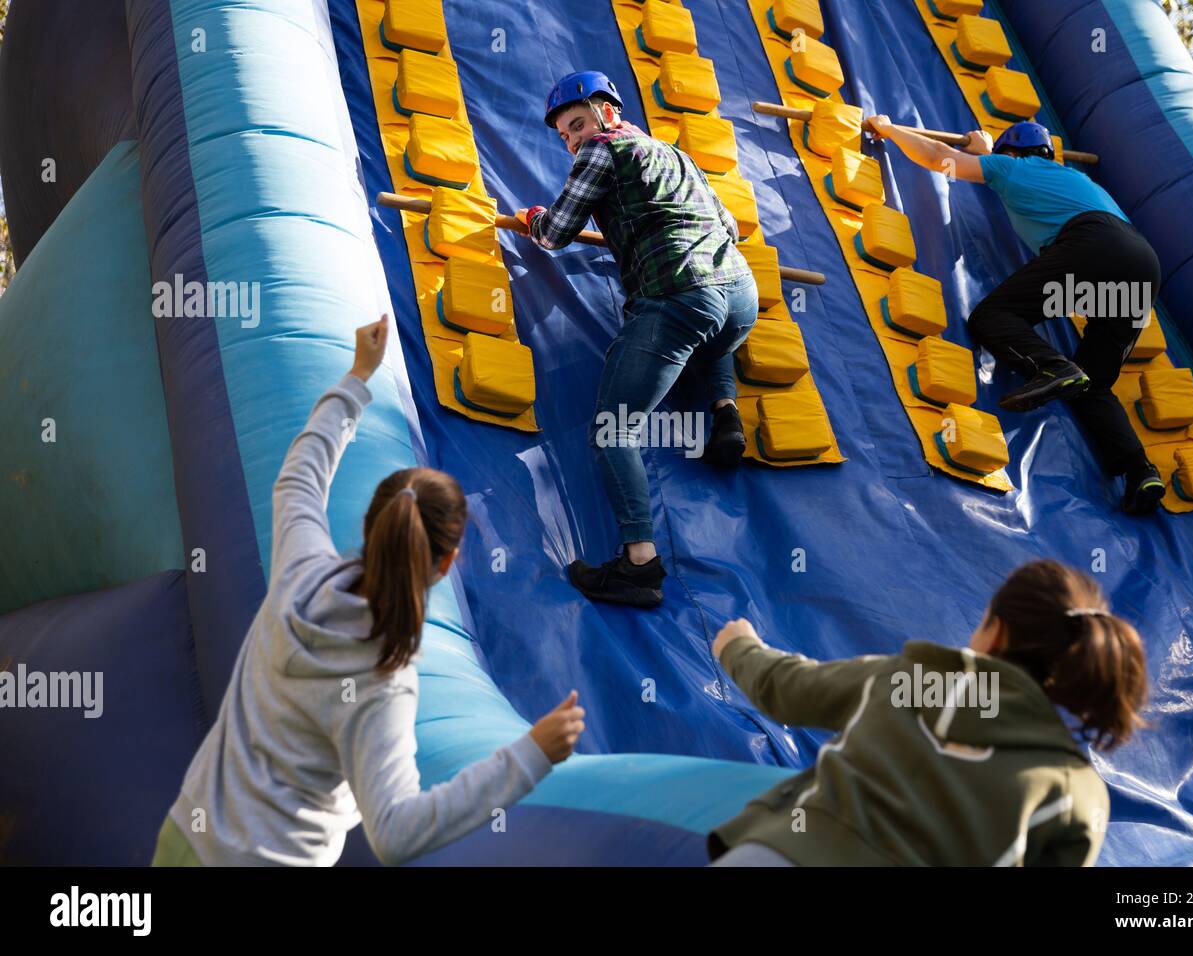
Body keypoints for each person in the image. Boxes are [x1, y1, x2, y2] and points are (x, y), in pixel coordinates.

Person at [151, 315, 585, 866]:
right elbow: (396, 832)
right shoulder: (382, 679)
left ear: (372, 523)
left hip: (186, 839)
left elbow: (298, 476)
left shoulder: (301, 571)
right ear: (447, 563)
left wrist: (358, 376)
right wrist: (529, 756)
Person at [707, 559, 1148, 866]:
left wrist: (739, 646)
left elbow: (787, 688)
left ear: (996, 633)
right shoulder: (1078, 791)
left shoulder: (911, 681)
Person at [521, 70, 760, 608]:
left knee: (612, 428)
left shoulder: (601, 152)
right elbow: (731, 227)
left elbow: (556, 233)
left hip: (679, 298)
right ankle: (725, 415)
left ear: (607, 112)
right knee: (715, 337)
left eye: (577, 124)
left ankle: (640, 567)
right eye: (564, 135)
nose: (573, 140)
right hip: (742, 297)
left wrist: (533, 218)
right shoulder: (676, 155)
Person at [868, 115, 1166, 515]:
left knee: (992, 317)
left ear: (1012, 152)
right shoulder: (1075, 182)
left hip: (1093, 246)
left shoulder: (1011, 168)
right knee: (1092, 384)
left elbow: (941, 157)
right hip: (1142, 264)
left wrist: (889, 130)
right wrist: (986, 150)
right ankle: (1141, 472)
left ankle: (1051, 366)